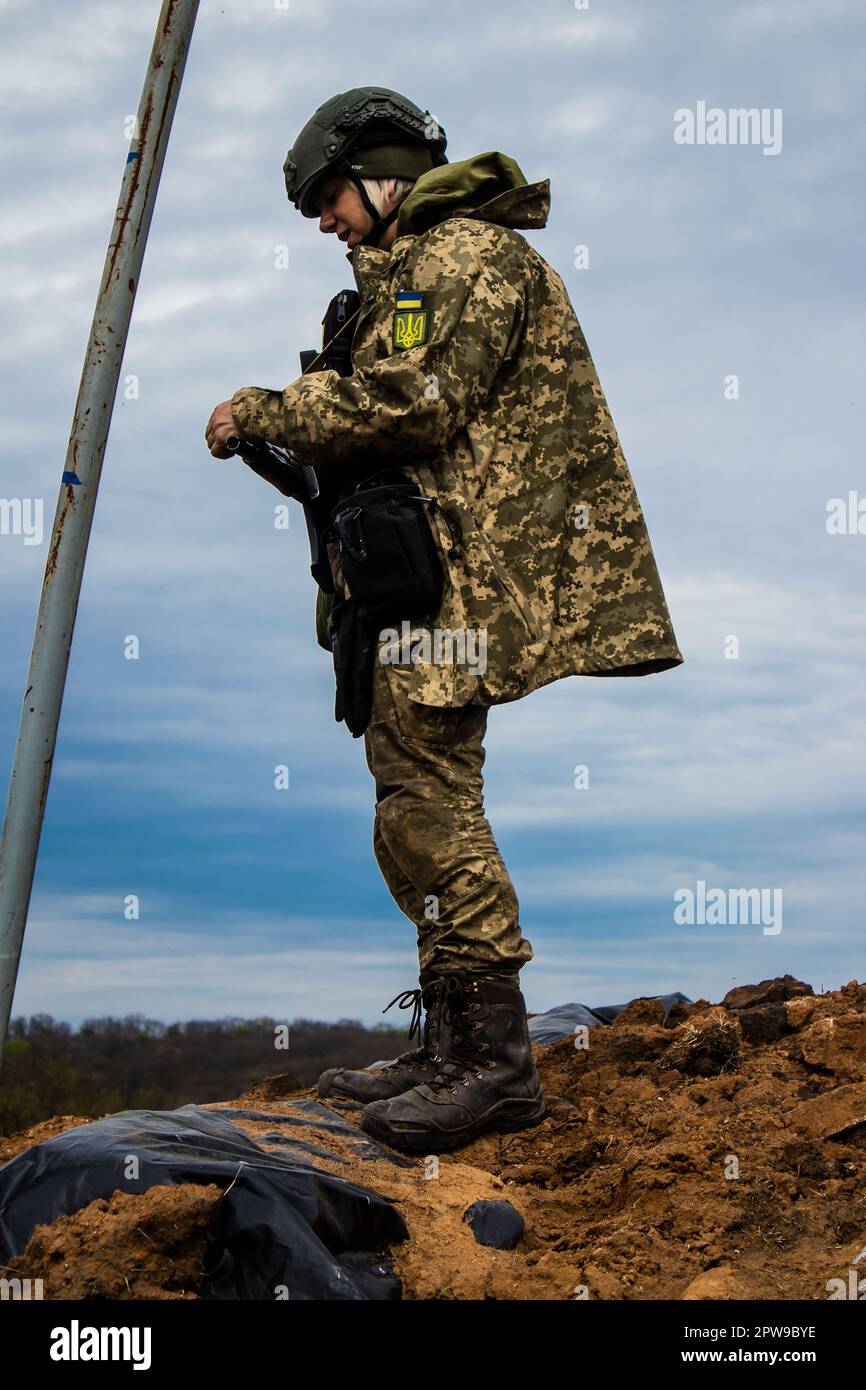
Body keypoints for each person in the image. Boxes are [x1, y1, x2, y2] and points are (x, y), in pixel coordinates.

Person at [205, 87, 683, 1154]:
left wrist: (264, 408)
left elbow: (410, 399)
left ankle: (492, 1066)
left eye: (328, 197)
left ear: (380, 173)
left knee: (427, 799)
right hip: (432, 577)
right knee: (409, 797)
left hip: (464, 583)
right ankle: (453, 1041)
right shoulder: (418, 267)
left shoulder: (458, 257)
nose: (324, 222)